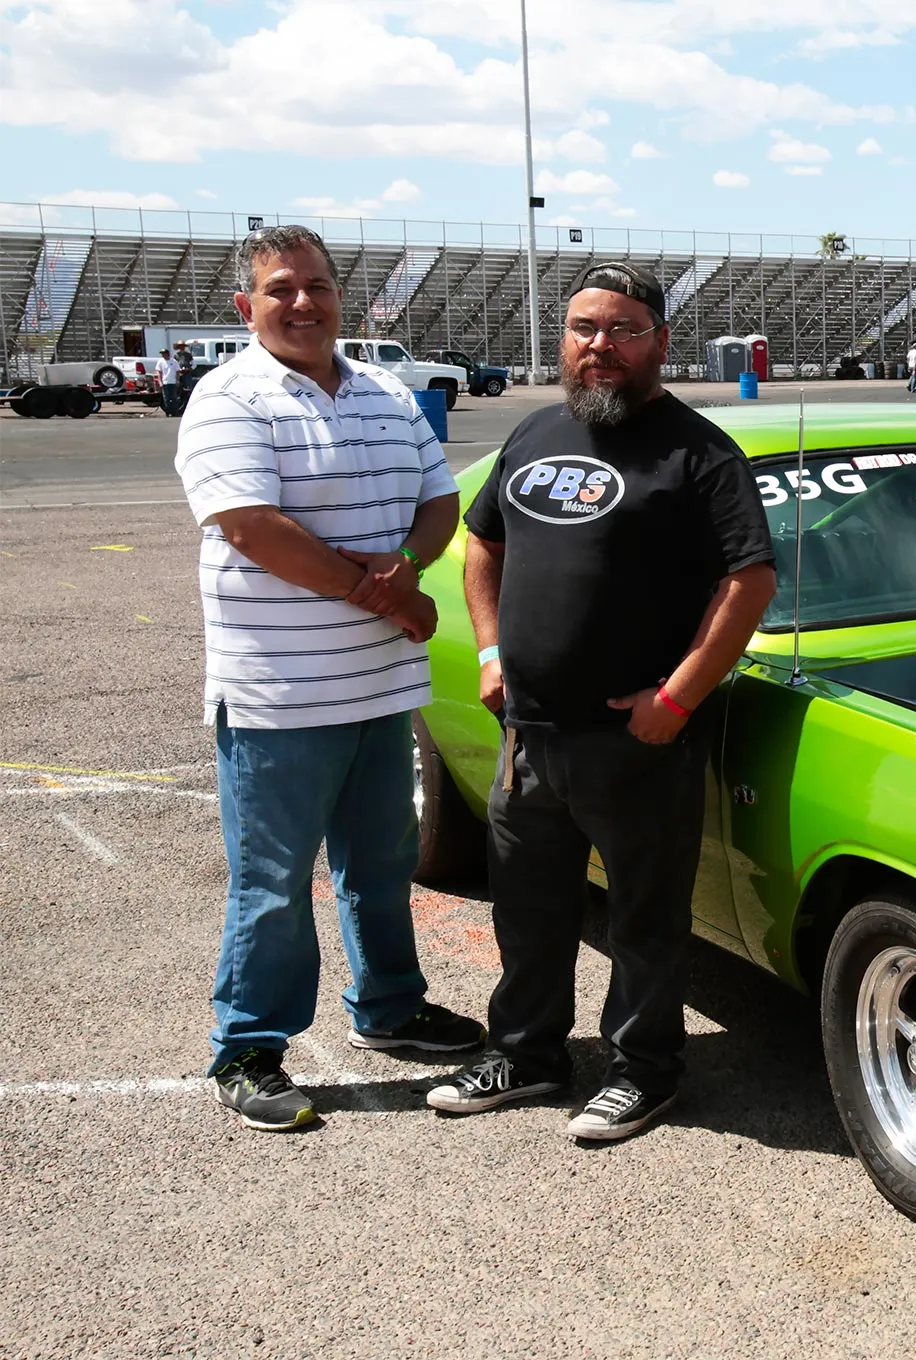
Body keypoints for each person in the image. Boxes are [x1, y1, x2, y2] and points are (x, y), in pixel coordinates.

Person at [429, 261, 777, 1143]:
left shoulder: (698, 454)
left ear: (658, 341)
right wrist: (494, 650)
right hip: (529, 734)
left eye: (623, 330)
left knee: (644, 919)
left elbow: (749, 581)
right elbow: (481, 545)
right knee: (530, 909)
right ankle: (528, 1054)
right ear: (564, 340)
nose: (600, 347)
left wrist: (679, 695)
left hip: (636, 739)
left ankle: (644, 1071)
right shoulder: (536, 433)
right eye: (585, 329)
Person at [173, 225, 484, 1132]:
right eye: (280, 290)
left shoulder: (387, 391)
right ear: (247, 307)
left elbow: (439, 503)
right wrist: (380, 592)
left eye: (317, 285)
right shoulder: (226, 398)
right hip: (279, 693)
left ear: (339, 296)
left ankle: (390, 1008)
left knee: (382, 863)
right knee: (272, 881)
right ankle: (248, 1049)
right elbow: (250, 526)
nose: (302, 302)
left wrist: (397, 566)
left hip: (379, 687)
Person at [155, 348, 180, 414]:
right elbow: (159, 372)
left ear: (167, 354)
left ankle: (175, 411)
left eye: (164, 353)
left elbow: (177, 371)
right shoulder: (160, 361)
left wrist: (177, 380)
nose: (163, 355)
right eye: (162, 354)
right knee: (166, 398)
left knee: (174, 397)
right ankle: (168, 412)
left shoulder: (173, 361)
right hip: (165, 382)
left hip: (173, 382)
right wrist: (160, 381)